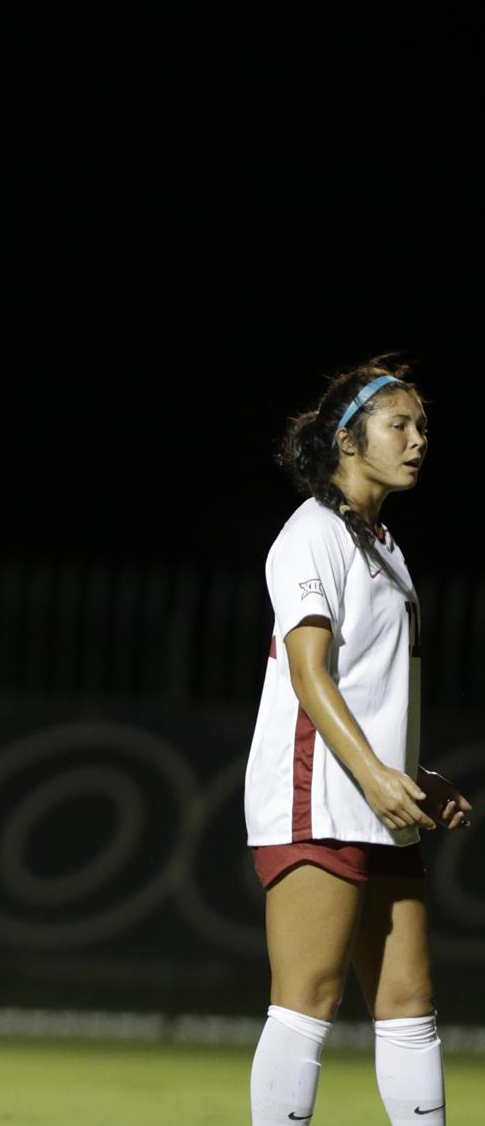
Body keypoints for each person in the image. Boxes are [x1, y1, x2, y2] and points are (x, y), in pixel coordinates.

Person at [244, 362, 470, 1126]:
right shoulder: (311, 534)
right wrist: (373, 772)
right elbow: (309, 674)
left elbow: (371, 686)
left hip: (375, 795)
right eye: (398, 425)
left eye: (423, 427)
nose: (417, 440)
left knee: (409, 997)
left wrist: (411, 775)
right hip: (318, 792)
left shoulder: (379, 542)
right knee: (309, 999)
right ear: (347, 438)